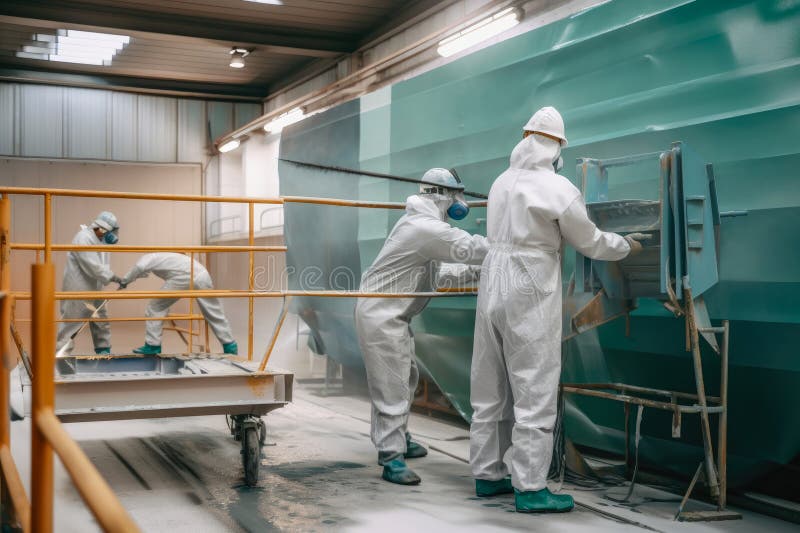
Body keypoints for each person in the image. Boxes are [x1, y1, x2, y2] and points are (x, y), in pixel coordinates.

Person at [469, 107, 648, 513]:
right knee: (534, 384)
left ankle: (487, 474)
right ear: (557, 145)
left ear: (525, 137)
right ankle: (531, 488)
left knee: (489, 383)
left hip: (493, 278)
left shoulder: (500, 182)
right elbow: (590, 241)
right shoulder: (557, 188)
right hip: (529, 280)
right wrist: (626, 245)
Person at [355, 168, 489, 486]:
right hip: (382, 317)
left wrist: (478, 274)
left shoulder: (422, 228)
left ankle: (397, 438)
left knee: (405, 378)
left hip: (389, 316)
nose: (460, 201)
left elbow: (439, 275)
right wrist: (514, 245)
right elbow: (470, 248)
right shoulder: (424, 228)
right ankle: (391, 457)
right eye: (456, 193)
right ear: (443, 195)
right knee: (393, 387)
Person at [120, 252, 238, 355]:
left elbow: (139, 267)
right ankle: (230, 345)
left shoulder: (148, 257)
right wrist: (133, 278)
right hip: (202, 275)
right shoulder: (165, 258)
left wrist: (125, 281)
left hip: (183, 277)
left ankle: (153, 346)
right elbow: (142, 272)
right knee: (213, 311)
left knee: (155, 307)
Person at [56, 211, 122, 355]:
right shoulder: (83, 238)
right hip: (79, 290)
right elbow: (94, 267)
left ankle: (103, 352)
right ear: (101, 227)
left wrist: (111, 277)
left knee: (100, 319)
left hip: (95, 290)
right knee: (71, 324)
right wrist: (115, 278)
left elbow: (102, 266)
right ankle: (60, 357)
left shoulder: (101, 240)